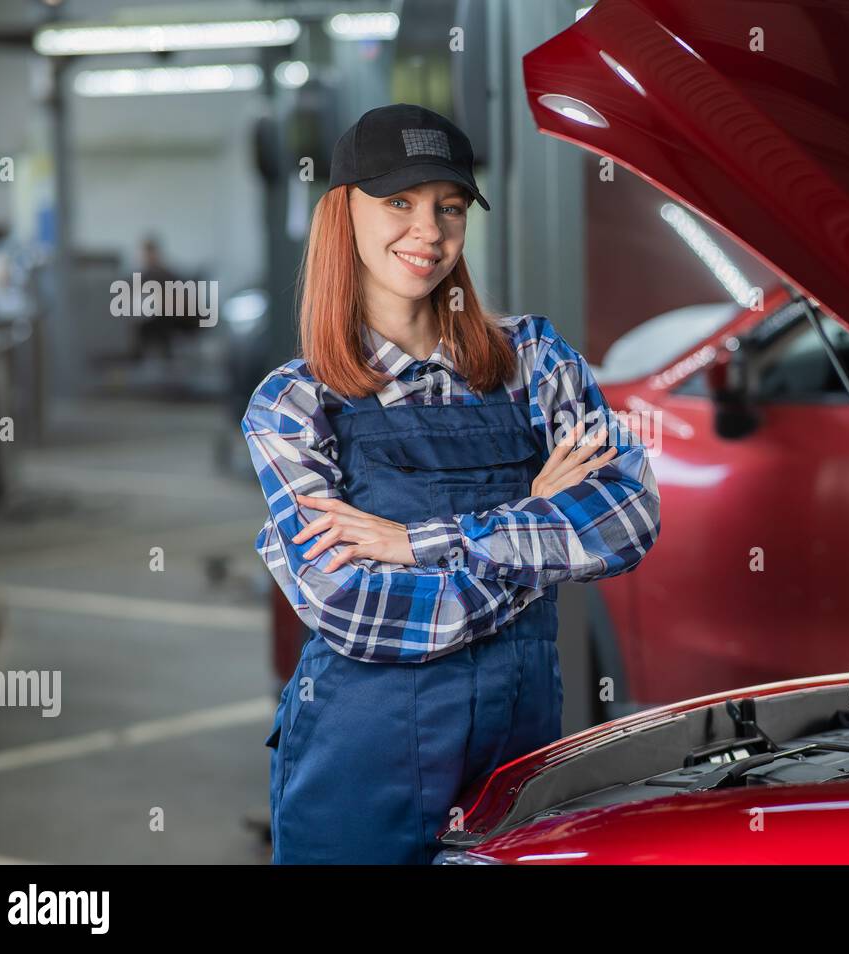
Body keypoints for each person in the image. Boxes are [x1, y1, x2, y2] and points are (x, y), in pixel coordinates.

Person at [240, 104, 661, 864]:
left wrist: (418, 544)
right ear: (344, 214)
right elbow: (353, 609)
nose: (428, 231)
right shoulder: (294, 402)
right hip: (360, 755)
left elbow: (629, 517)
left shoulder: (534, 358)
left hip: (522, 746)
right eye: (398, 202)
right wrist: (535, 526)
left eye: (449, 206)